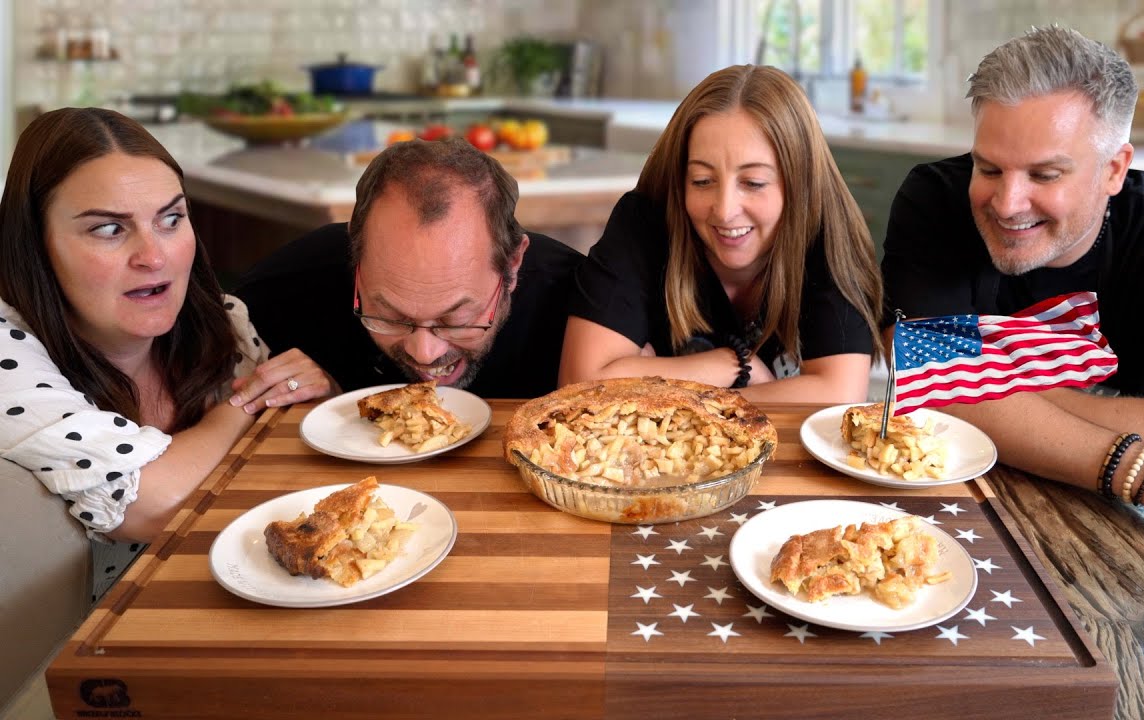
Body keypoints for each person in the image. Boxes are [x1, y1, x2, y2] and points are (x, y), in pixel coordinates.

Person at [880, 27, 1144, 589]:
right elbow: (932, 385)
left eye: (1045, 175)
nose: (1007, 203)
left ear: (1114, 169)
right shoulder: (935, 199)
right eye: (989, 169)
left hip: (1129, 543)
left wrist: (988, 388)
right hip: (956, 520)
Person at [0, 108, 333, 601]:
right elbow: (147, 502)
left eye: (171, 219)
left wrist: (316, 390)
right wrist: (245, 406)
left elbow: (286, 463)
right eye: (109, 229)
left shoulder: (222, 320)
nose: (154, 256)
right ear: (35, 245)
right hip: (110, 637)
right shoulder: (6, 349)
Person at [560, 65, 883, 403]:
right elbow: (579, 385)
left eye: (753, 183)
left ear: (799, 185)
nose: (725, 210)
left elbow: (840, 397)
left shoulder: (829, 236)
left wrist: (652, 382)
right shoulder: (645, 222)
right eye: (702, 181)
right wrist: (737, 366)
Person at [235, 137, 583, 399]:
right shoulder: (280, 294)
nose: (424, 354)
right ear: (355, 255)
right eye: (390, 317)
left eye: (456, 320)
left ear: (513, 263)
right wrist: (319, 408)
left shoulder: (581, 306)